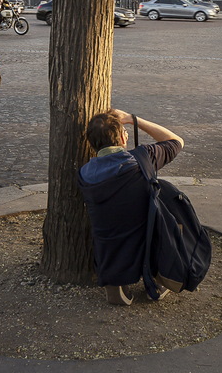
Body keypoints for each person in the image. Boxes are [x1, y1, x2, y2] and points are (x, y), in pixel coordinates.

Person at [77, 108, 184, 306]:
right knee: (170, 211)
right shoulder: (142, 159)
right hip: (144, 237)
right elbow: (176, 141)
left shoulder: (84, 174)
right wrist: (133, 120)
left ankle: (116, 282)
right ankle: (160, 277)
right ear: (121, 137)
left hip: (109, 248)